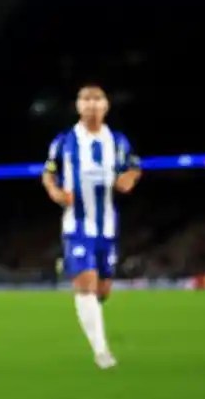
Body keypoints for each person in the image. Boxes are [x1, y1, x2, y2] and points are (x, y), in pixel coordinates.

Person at [41, 84, 140, 369]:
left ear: (106, 105)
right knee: (86, 285)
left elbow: (133, 166)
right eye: (86, 99)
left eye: (97, 99)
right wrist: (57, 193)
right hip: (77, 225)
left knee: (103, 290)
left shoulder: (118, 141)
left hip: (107, 227)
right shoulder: (64, 141)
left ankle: (76, 272)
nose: (92, 104)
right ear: (78, 105)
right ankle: (102, 352)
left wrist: (129, 179)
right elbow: (48, 174)